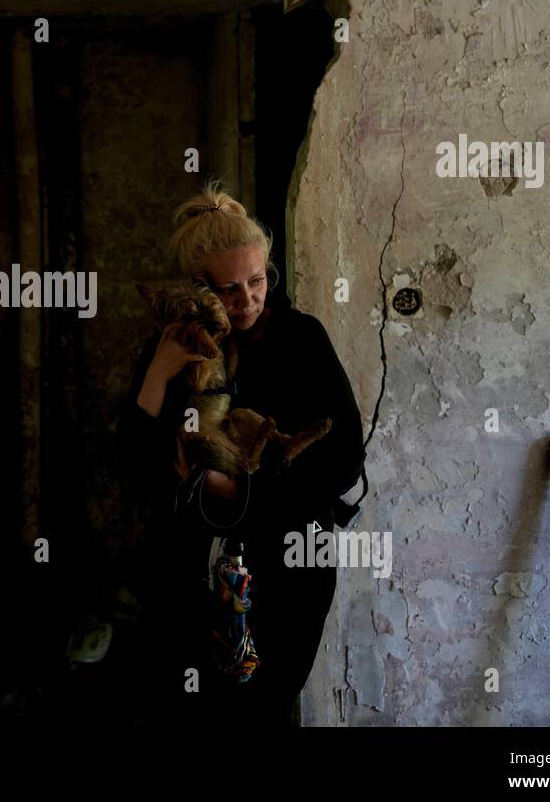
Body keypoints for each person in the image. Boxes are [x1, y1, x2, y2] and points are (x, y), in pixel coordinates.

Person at [116, 180, 365, 726]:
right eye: (228, 290)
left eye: (257, 281)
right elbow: (131, 462)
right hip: (188, 572)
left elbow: (343, 460)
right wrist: (159, 371)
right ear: (195, 287)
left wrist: (237, 491)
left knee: (262, 710)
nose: (248, 300)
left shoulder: (301, 339)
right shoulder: (173, 348)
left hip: (287, 568)